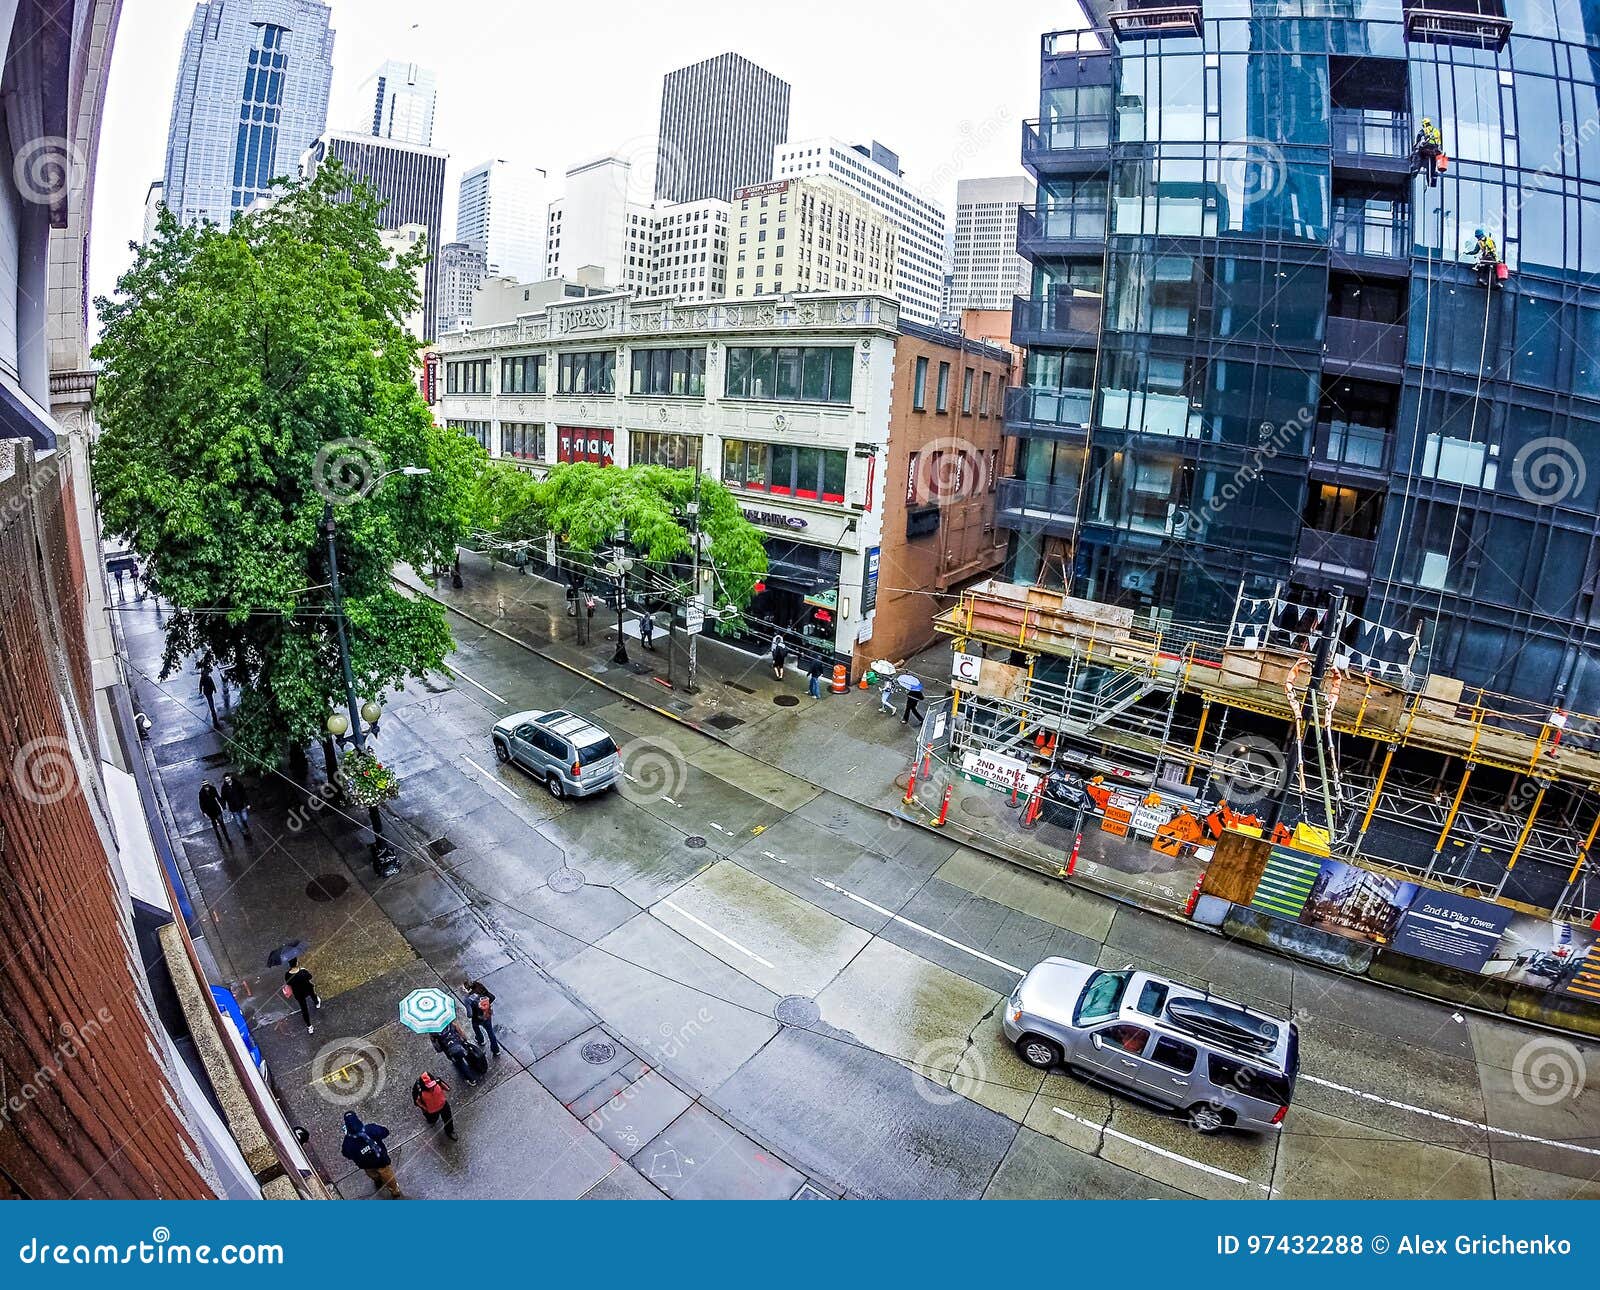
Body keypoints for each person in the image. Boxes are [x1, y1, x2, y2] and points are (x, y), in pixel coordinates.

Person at [340, 1112, 403, 1198]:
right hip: (381, 1160)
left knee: (372, 1174)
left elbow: (346, 1154)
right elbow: (385, 1132)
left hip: (366, 1165)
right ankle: (395, 1190)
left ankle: (377, 1180)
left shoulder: (348, 1142)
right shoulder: (371, 1129)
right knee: (387, 1175)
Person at [412, 1071, 456, 1140]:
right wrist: (425, 1108)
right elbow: (416, 1101)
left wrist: (447, 1089)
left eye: (432, 1085)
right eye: (429, 1086)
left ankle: (449, 1131)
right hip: (430, 1110)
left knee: (448, 1119)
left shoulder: (436, 1080)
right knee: (432, 1119)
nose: (431, 1087)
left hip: (443, 1105)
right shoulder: (418, 1089)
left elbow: (445, 1086)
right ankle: (431, 1120)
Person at [462, 980, 501, 1057]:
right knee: (490, 1033)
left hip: (477, 1018)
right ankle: (496, 1050)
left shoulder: (467, 999)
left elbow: (470, 1014)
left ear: (468, 989)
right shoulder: (481, 989)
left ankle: (480, 1040)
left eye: (464, 989)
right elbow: (492, 997)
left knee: (475, 1027)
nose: (463, 990)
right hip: (487, 1015)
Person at [284, 959, 321, 1034]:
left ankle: (309, 1026)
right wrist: (304, 970)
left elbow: (288, 983)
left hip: (298, 993)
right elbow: (310, 977)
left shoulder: (287, 975)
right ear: (296, 963)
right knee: (313, 995)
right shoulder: (303, 972)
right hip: (307, 989)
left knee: (304, 1009)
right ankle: (317, 1003)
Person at [1411, 117, 1443, 186]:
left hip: (1426, 148)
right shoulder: (1436, 131)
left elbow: (1419, 137)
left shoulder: (1424, 130)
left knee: (1419, 156)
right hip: (1434, 149)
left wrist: (1416, 144)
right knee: (1432, 166)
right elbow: (1439, 142)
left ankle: (1416, 169)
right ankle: (1432, 180)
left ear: (1424, 124)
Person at [219, 772, 250, 836]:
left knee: (245, 819)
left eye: (228, 779)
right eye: (226, 779)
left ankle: (246, 826)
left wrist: (247, 803)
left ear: (230, 777)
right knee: (239, 823)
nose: (227, 780)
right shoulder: (224, 788)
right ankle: (244, 833)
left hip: (241, 805)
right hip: (233, 808)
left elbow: (244, 794)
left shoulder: (238, 784)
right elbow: (223, 798)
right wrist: (224, 807)